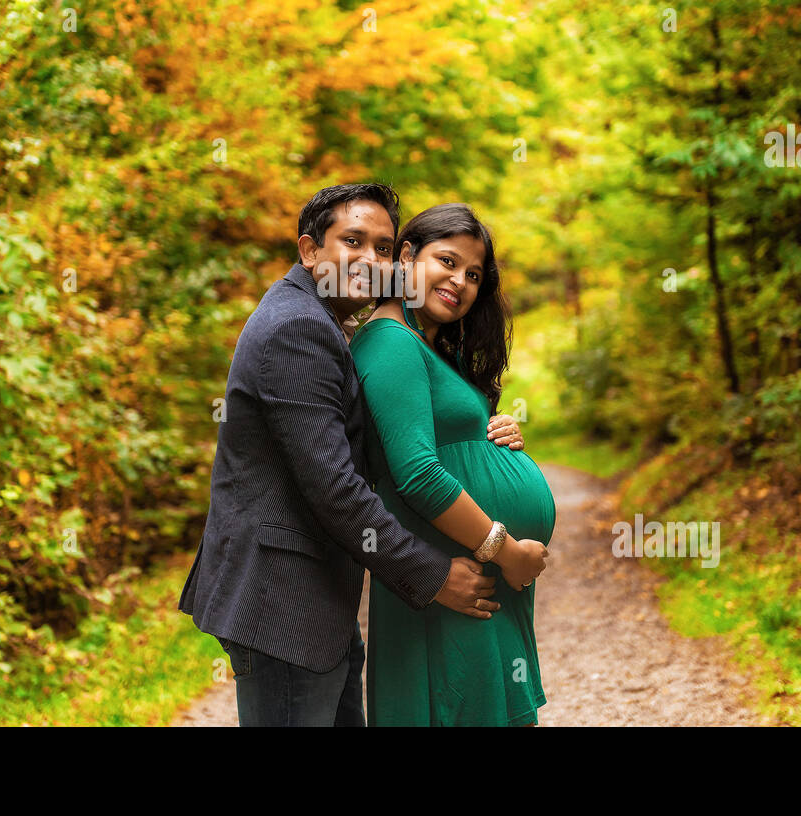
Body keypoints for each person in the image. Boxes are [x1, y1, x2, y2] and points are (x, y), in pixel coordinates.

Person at [177, 183, 546, 726]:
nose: (370, 260)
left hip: (316, 595)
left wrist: (481, 438)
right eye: (353, 241)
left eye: (380, 246)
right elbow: (336, 489)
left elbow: (375, 449)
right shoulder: (298, 328)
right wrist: (437, 573)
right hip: (282, 596)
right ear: (309, 251)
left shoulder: (330, 323)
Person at [349, 203, 557, 726]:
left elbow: (449, 438)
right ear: (405, 256)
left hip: (475, 582)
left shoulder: (432, 347)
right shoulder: (390, 341)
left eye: (473, 275)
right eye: (447, 261)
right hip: (456, 580)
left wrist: (497, 433)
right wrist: (506, 551)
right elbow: (416, 472)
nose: (459, 281)